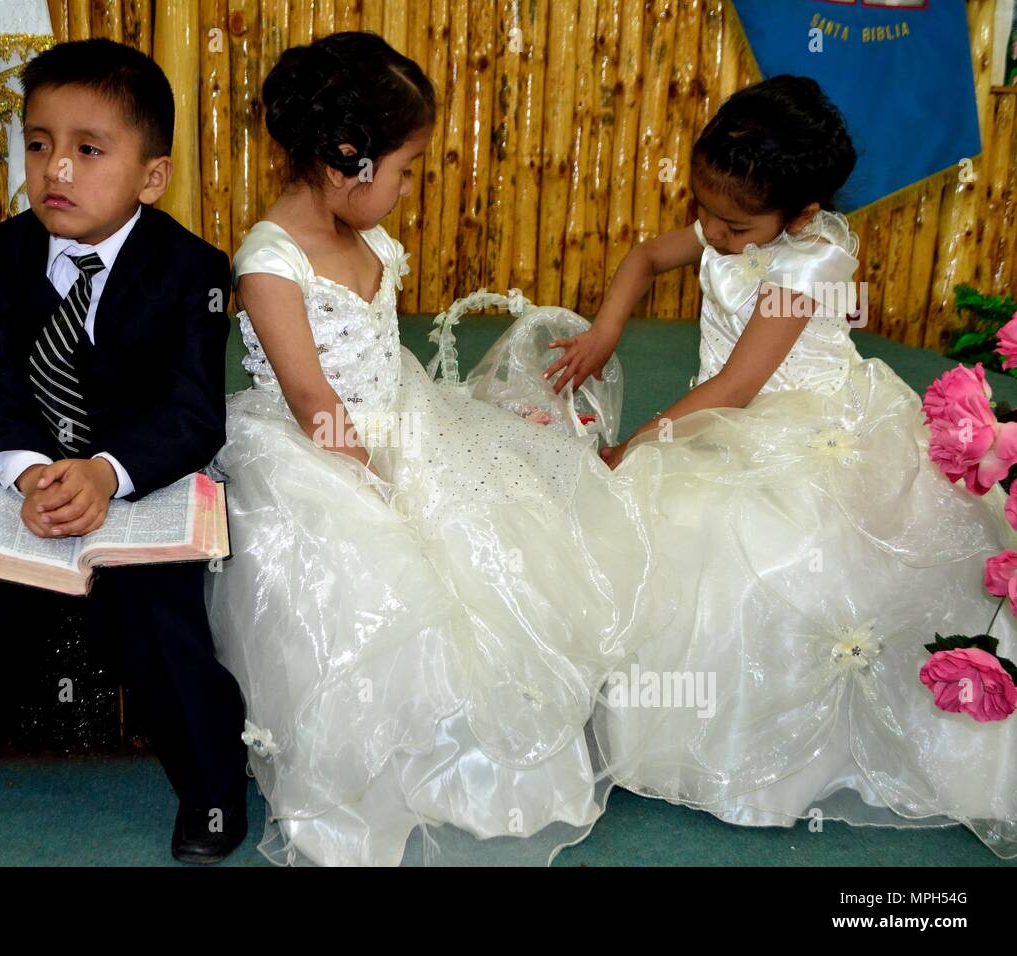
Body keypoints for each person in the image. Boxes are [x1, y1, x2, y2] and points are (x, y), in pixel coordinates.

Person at [204, 31, 659, 866]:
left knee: (502, 539)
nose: (409, 188)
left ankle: (483, 770)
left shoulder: (370, 241)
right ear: (348, 162)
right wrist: (377, 482)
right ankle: (379, 778)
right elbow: (314, 401)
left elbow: (379, 359)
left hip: (396, 412)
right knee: (391, 579)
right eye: (406, 169)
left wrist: (428, 436)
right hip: (320, 447)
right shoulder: (270, 263)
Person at [548, 75, 1017, 858]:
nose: (711, 232)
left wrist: (639, 445)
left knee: (762, 553)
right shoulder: (731, 220)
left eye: (733, 224)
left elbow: (736, 386)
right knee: (662, 533)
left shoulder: (814, 260)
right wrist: (606, 328)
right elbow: (641, 257)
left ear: (798, 215)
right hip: (726, 412)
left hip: (794, 422)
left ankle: (752, 754)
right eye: (703, 210)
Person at [0, 38, 248, 864]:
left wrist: (106, 473)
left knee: (156, 617)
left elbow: (194, 414)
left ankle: (212, 786)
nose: (56, 170)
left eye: (89, 150)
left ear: (150, 176)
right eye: (39, 143)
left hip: (139, 477)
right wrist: (27, 473)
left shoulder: (192, 268)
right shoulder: (8, 250)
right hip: (30, 474)